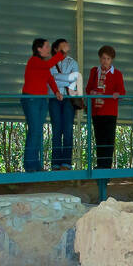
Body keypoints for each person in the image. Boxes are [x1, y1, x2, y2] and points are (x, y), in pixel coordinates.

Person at [21, 38, 66, 173]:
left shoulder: (42, 64)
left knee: (37, 131)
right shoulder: (34, 61)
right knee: (35, 131)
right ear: (38, 49)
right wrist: (61, 53)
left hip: (41, 100)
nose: (48, 49)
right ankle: (30, 165)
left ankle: (34, 164)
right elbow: (49, 66)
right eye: (46, 47)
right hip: (31, 99)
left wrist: (57, 91)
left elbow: (49, 78)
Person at [85, 45, 125, 170]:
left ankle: (107, 165)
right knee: (99, 138)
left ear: (111, 60)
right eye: (103, 58)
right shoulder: (94, 71)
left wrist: (117, 94)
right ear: (99, 58)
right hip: (97, 111)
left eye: (108, 59)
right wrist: (91, 92)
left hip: (110, 111)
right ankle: (100, 164)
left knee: (109, 139)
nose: (105, 61)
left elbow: (122, 91)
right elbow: (88, 88)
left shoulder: (117, 73)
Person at [48, 39, 81, 170]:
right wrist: (66, 79)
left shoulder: (73, 62)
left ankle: (66, 163)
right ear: (55, 49)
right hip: (53, 98)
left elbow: (74, 79)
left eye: (67, 48)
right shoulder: (50, 63)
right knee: (56, 131)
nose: (66, 51)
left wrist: (58, 78)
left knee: (68, 130)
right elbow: (50, 80)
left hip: (68, 99)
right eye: (63, 48)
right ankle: (55, 163)